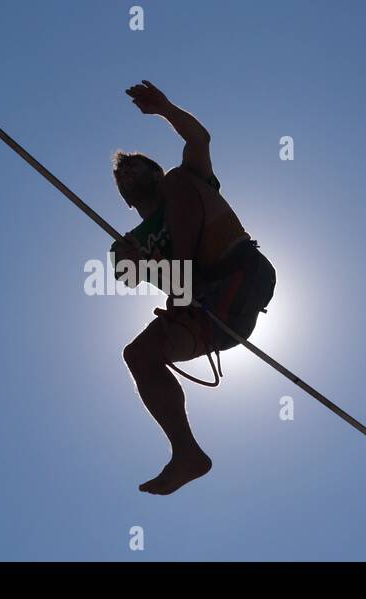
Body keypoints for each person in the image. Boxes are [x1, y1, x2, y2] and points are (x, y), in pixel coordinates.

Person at [112, 81, 277, 495]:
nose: (127, 171)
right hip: (210, 314)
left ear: (153, 170)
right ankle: (186, 453)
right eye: (121, 174)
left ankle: (185, 288)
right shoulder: (132, 241)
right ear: (125, 199)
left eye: (134, 164)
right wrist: (132, 262)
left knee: (178, 183)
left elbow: (199, 138)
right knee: (138, 355)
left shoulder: (184, 181)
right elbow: (127, 275)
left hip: (239, 278)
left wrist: (165, 108)